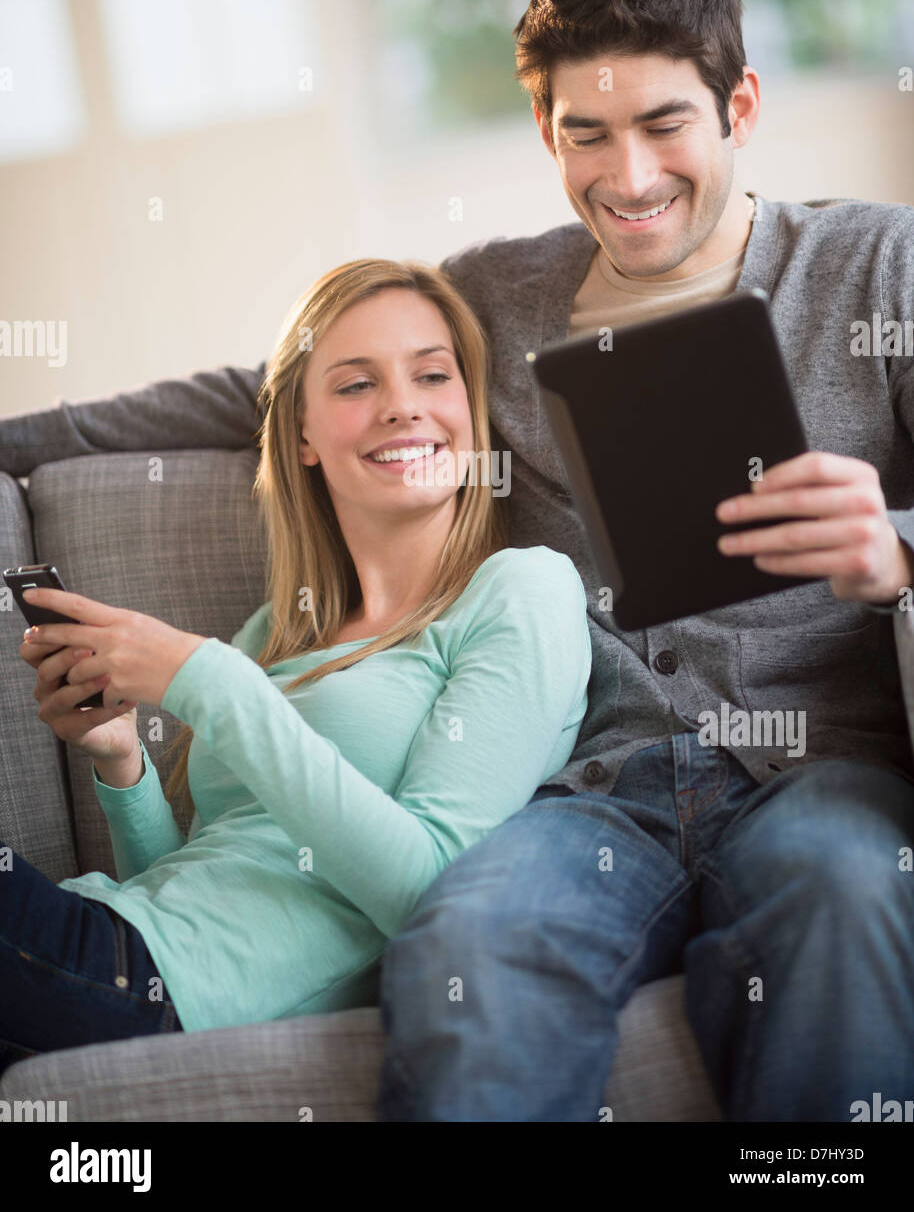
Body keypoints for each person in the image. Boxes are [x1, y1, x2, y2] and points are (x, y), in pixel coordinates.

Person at [2, 0, 913, 1121]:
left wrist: (894, 556)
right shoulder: (497, 298)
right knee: (468, 938)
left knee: (844, 891)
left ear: (737, 105)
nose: (626, 178)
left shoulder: (870, 270)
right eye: (585, 135)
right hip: (603, 794)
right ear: (544, 129)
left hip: (821, 772)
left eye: (662, 126)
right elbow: (275, 384)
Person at [0, 258, 591, 1075]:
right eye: (355, 385)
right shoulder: (277, 632)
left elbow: (436, 897)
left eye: (431, 374)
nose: (403, 406)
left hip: (146, 985)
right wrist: (123, 762)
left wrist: (208, 679)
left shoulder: (520, 590)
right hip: (120, 952)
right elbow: (191, 882)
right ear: (304, 435)